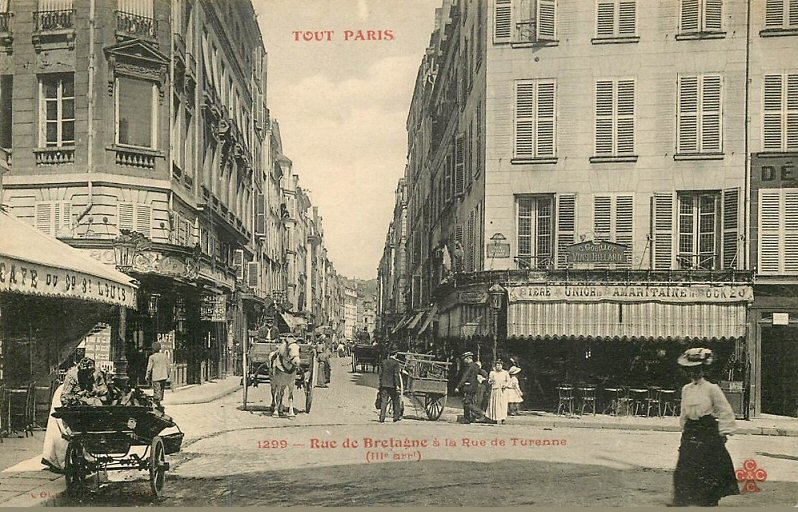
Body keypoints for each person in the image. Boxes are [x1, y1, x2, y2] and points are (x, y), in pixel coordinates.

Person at [672, 348, 740, 507]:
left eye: (696, 369)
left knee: (709, 466)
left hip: (707, 429)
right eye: (689, 370)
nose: (693, 373)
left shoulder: (712, 389)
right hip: (691, 430)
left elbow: (725, 410)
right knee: (686, 464)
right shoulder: (686, 389)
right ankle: (685, 499)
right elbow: (684, 411)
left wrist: (724, 431)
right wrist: (684, 427)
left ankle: (708, 499)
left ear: (703, 370)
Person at [42, 357, 109, 471]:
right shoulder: (72, 375)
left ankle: (89, 455)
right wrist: (79, 397)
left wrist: (96, 391)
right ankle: (60, 459)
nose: (88, 376)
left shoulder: (97, 373)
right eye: (84, 373)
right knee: (63, 431)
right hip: (68, 397)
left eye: (90, 373)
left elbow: (104, 389)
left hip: (89, 401)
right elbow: (65, 397)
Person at [454, 352, 489, 424]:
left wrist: (458, 387)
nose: (464, 361)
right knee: (465, 402)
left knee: (467, 403)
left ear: (468, 359)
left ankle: (480, 413)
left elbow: (465, 377)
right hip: (474, 387)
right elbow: (484, 373)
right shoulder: (476, 365)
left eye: (464, 359)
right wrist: (485, 377)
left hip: (469, 387)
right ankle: (467, 419)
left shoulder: (469, 367)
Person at [378, 349, 403, 422]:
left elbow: (380, 374)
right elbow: (396, 375)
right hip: (392, 386)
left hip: (384, 385)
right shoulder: (396, 363)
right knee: (396, 400)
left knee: (384, 401)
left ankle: (382, 418)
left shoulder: (384, 362)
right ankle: (396, 417)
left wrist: (380, 384)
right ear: (395, 355)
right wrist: (397, 385)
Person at [486, 359, 511, 424]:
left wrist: (505, 385)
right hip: (495, 390)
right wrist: (491, 382)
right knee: (495, 404)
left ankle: (503, 418)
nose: (498, 367)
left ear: (502, 366)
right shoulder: (492, 373)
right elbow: (489, 381)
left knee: (502, 404)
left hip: (503, 391)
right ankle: (494, 418)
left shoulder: (505, 373)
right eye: (497, 365)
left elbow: (508, 381)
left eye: (500, 365)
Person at [146, 341, 170, 407]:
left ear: (153, 349)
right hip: (164, 376)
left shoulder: (152, 357)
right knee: (161, 390)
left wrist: (147, 375)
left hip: (156, 377)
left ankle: (157, 404)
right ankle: (159, 402)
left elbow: (149, 367)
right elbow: (168, 366)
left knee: (156, 390)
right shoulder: (164, 356)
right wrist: (167, 374)